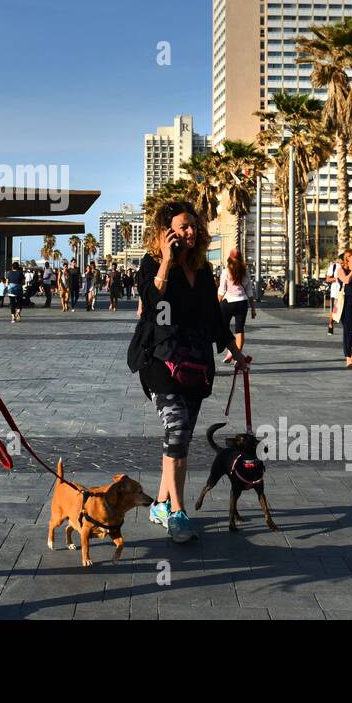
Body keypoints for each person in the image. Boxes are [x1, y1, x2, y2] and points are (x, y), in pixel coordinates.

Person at [128, 200, 248, 544]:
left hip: (195, 363)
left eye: (193, 225)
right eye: (182, 227)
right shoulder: (152, 263)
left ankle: (161, 504)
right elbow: (152, 304)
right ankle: (178, 515)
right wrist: (166, 260)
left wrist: (235, 352)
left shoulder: (204, 270)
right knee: (177, 429)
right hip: (160, 359)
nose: (190, 232)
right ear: (165, 231)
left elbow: (214, 316)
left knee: (178, 441)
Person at [217, 249, 257, 362]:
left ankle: (231, 350)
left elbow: (221, 291)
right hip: (242, 303)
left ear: (229, 259)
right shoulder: (246, 272)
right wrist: (253, 309)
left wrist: (216, 306)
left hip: (228, 302)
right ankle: (236, 356)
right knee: (239, 330)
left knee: (223, 327)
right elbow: (249, 291)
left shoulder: (226, 271)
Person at [324, 253, 343, 336]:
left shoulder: (348, 267)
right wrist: (337, 278)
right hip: (335, 293)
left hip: (344, 292)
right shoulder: (334, 267)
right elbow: (327, 279)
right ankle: (330, 324)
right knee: (334, 310)